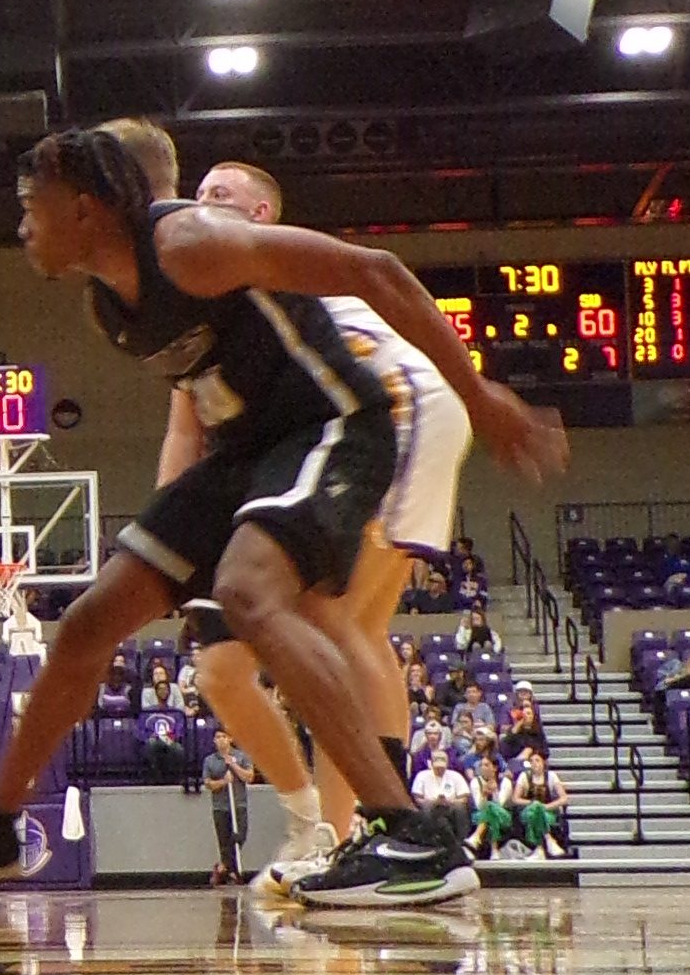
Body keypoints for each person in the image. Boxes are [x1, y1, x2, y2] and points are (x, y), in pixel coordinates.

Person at [0, 124, 562, 912]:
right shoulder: (109, 303)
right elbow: (202, 413)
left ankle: (411, 833)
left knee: (251, 593)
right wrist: (168, 536)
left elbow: (376, 270)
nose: (23, 225)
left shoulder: (192, 244)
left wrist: (481, 396)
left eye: (35, 205)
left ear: (87, 208)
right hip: (246, 453)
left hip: (335, 426)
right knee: (90, 622)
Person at [181, 154, 475, 887]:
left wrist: (483, 394)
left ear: (261, 215)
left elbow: (383, 275)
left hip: (397, 405)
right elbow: (189, 423)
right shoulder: (214, 288)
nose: (202, 201)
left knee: (333, 622)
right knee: (340, 630)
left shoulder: (265, 258)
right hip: (384, 415)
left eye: (221, 192)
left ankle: (395, 833)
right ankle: (349, 839)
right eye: (198, 191)